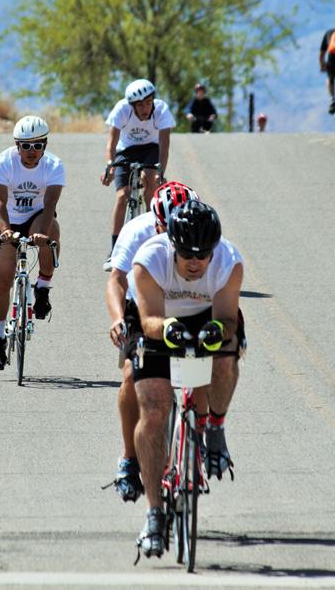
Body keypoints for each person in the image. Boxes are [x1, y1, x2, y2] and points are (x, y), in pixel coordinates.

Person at [127, 201, 245, 559]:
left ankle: (215, 430)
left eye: (203, 255)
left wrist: (217, 330)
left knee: (224, 362)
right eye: (187, 255)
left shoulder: (228, 263)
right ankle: (154, 514)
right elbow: (148, 320)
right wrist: (167, 329)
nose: (195, 263)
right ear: (172, 246)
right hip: (160, 321)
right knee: (155, 408)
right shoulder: (149, 259)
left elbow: (228, 321)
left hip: (207, 317)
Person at [104, 181, 199, 503]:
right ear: (157, 222)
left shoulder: (201, 227)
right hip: (142, 306)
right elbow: (116, 280)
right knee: (132, 374)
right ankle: (129, 459)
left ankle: (198, 437)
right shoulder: (137, 232)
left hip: (186, 304)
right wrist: (118, 318)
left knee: (199, 370)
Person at [0, 116, 65, 370]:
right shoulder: (3, 162)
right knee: (2, 279)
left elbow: (50, 205)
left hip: (37, 216)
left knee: (51, 231)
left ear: (45, 144)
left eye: (38, 145)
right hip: (6, 217)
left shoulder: (53, 166)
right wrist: (6, 231)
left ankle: (43, 288)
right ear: (16, 145)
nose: (32, 152)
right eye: (26, 146)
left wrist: (41, 234)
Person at [101, 79, 175, 270]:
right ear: (132, 105)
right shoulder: (121, 109)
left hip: (151, 148)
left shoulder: (161, 110)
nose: (145, 108)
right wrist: (110, 167)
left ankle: (152, 238)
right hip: (126, 149)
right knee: (122, 195)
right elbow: (111, 142)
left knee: (150, 180)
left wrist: (161, 172)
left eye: (148, 103)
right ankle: (114, 250)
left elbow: (164, 145)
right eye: (140, 105)